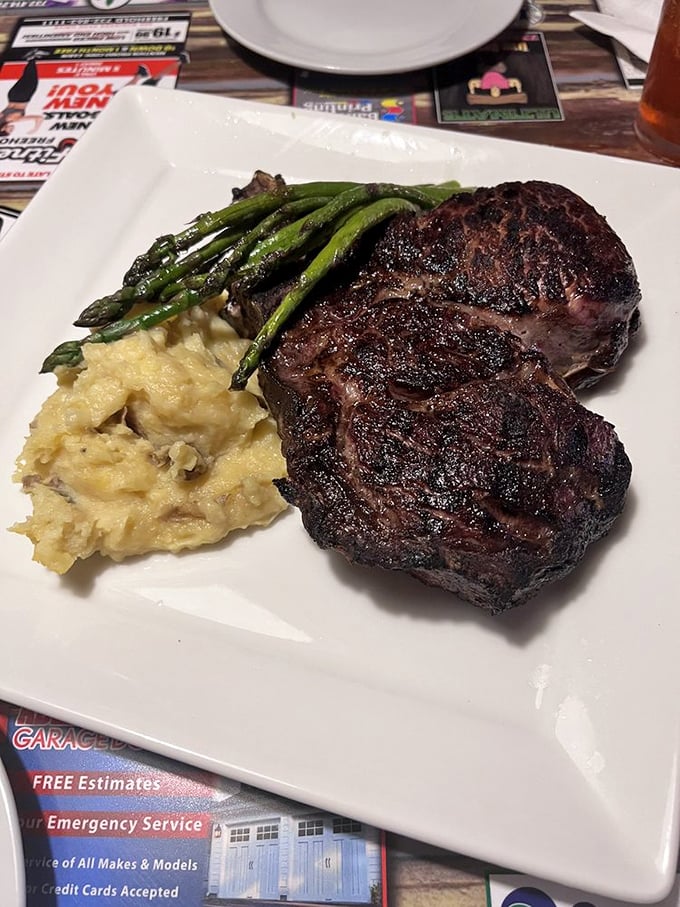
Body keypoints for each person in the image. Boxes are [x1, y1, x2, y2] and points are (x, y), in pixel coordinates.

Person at [0, 50, 48, 137]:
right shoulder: (1, 117)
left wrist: (35, 129)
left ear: (3, 129)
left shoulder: (15, 119)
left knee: (33, 79)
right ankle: (31, 59)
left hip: (23, 97)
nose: (12, 130)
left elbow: (39, 118)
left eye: (9, 131)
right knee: (26, 77)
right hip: (12, 95)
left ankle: (31, 59)